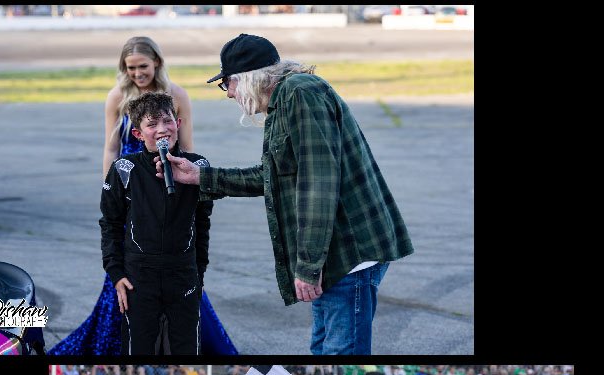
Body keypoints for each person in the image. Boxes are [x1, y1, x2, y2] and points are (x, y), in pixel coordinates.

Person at [162, 34, 414, 355]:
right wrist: (201, 176)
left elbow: (317, 182)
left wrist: (307, 266)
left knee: (339, 352)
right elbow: (273, 177)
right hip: (332, 254)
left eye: (228, 84)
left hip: (347, 253)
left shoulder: (301, 95)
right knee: (323, 349)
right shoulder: (285, 102)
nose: (230, 94)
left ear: (248, 78)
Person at [50, 36, 236, 356]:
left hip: (170, 178)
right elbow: (110, 147)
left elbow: (187, 145)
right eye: (130, 67)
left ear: (157, 63)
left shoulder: (176, 95)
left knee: (180, 267)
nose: (137, 73)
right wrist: (111, 188)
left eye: (143, 66)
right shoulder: (117, 96)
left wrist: (188, 183)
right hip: (130, 183)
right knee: (128, 272)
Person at [101, 91, 214, 355]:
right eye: (152, 125)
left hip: (182, 273)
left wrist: (199, 272)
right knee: (139, 346)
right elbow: (110, 224)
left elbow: (202, 223)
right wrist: (116, 274)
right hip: (139, 275)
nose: (162, 130)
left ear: (179, 123)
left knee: (186, 346)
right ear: (139, 134)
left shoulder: (198, 166)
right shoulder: (123, 169)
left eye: (167, 121)